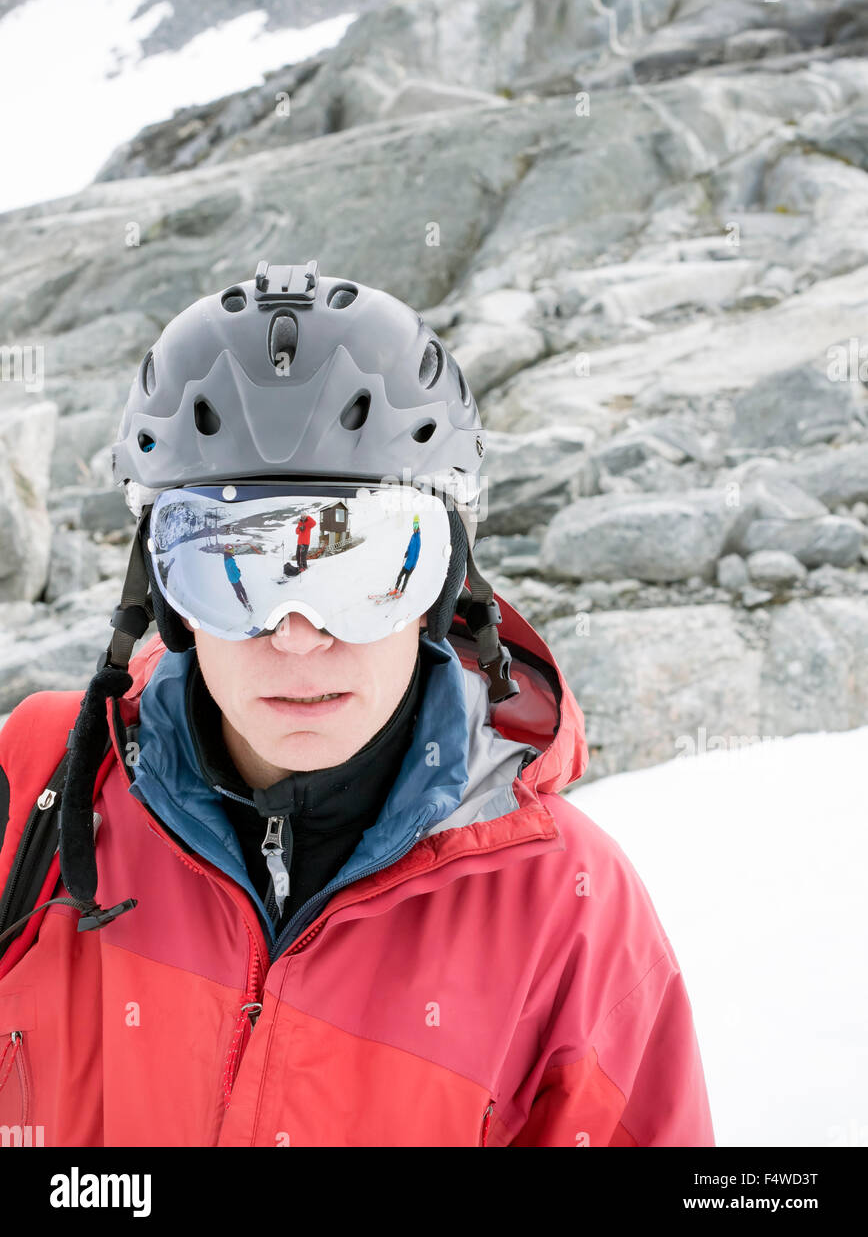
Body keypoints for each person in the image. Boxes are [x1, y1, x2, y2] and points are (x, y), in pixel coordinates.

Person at [0, 260, 714, 1147]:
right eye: (233, 566)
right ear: (164, 596)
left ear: (443, 586)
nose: (297, 636)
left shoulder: (563, 907)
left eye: (369, 568)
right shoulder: (34, 794)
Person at [394, 514, 421, 593]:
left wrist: (414, 565)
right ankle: (396, 589)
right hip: (407, 562)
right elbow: (409, 546)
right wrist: (407, 551)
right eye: (414, 526)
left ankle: (402, 591)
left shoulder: (418, 539)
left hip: (411, 565)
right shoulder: (412, 536)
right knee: (399, 576)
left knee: (406, 579)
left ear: (418, 527)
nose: (414, 528)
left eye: (416, 526)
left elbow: (417, 554)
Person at [223, 543, 253, 611]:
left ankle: (243, 603)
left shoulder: (226, 558)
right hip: (235, 579)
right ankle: (246, 602)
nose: (233, 550)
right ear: (230, 550)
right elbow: (236, 572)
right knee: (242, 589)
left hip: (231, 579)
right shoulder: (230, 560)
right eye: (232, 549)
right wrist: (239, 572)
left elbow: (230, 568)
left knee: (237, 591)